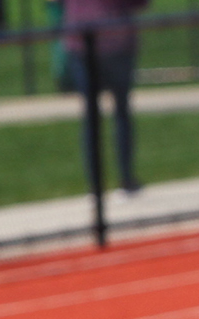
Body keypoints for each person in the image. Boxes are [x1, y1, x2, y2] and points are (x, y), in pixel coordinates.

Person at [63, 0, 145, 196]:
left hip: (82, 40)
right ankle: (124, 179)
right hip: (112, 39)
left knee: (93, 117)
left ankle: (97, 184)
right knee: (120, 113)